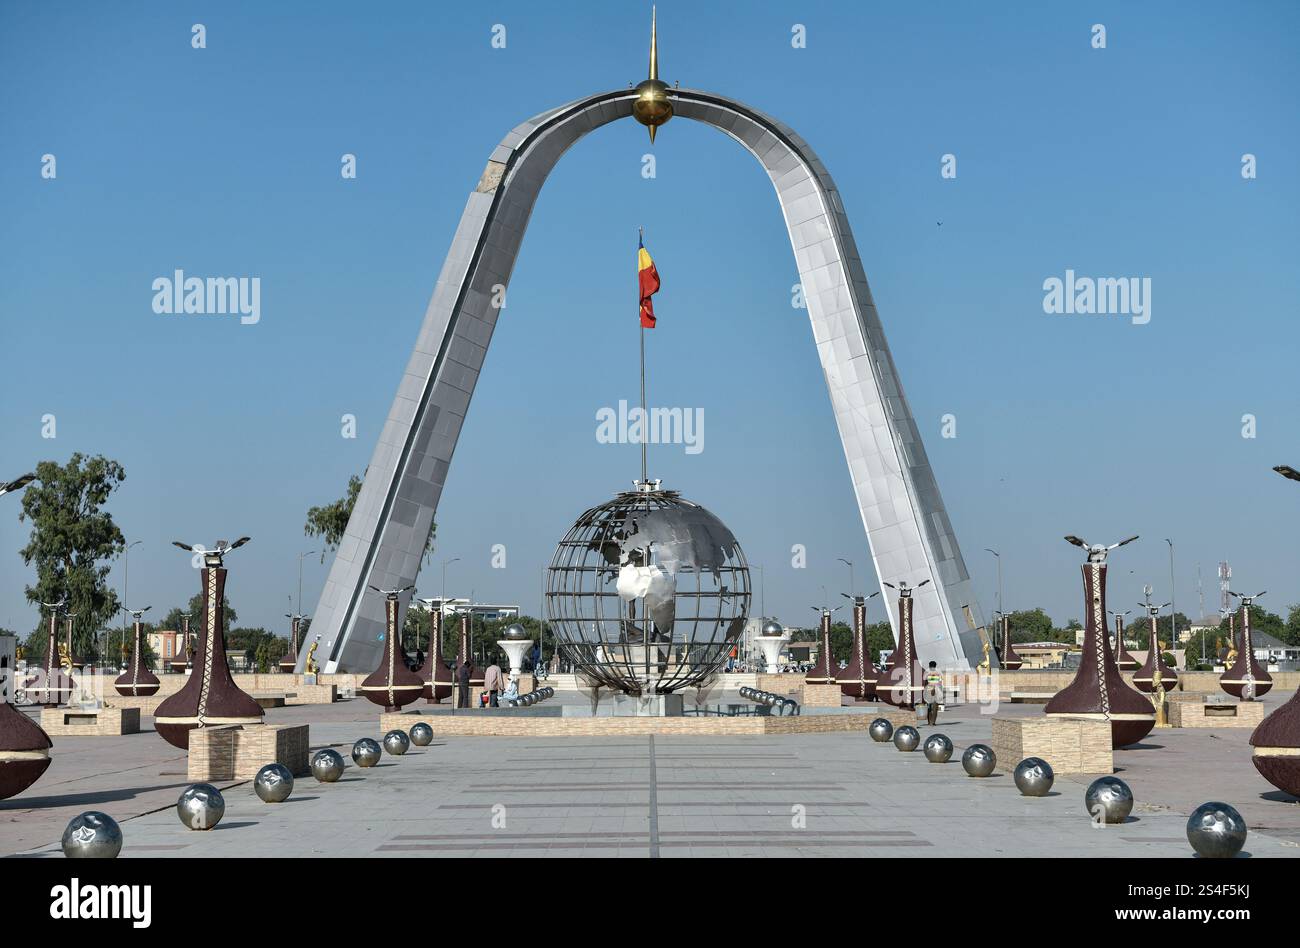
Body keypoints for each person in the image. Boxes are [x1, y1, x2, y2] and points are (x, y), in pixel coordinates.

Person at [924, 660, 943, 725]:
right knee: (935, 707)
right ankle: (933, 722)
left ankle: (929, 722)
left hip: (929, 689)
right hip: (936, 690)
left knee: (929, 706)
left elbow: (926, 682)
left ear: (929, 666)